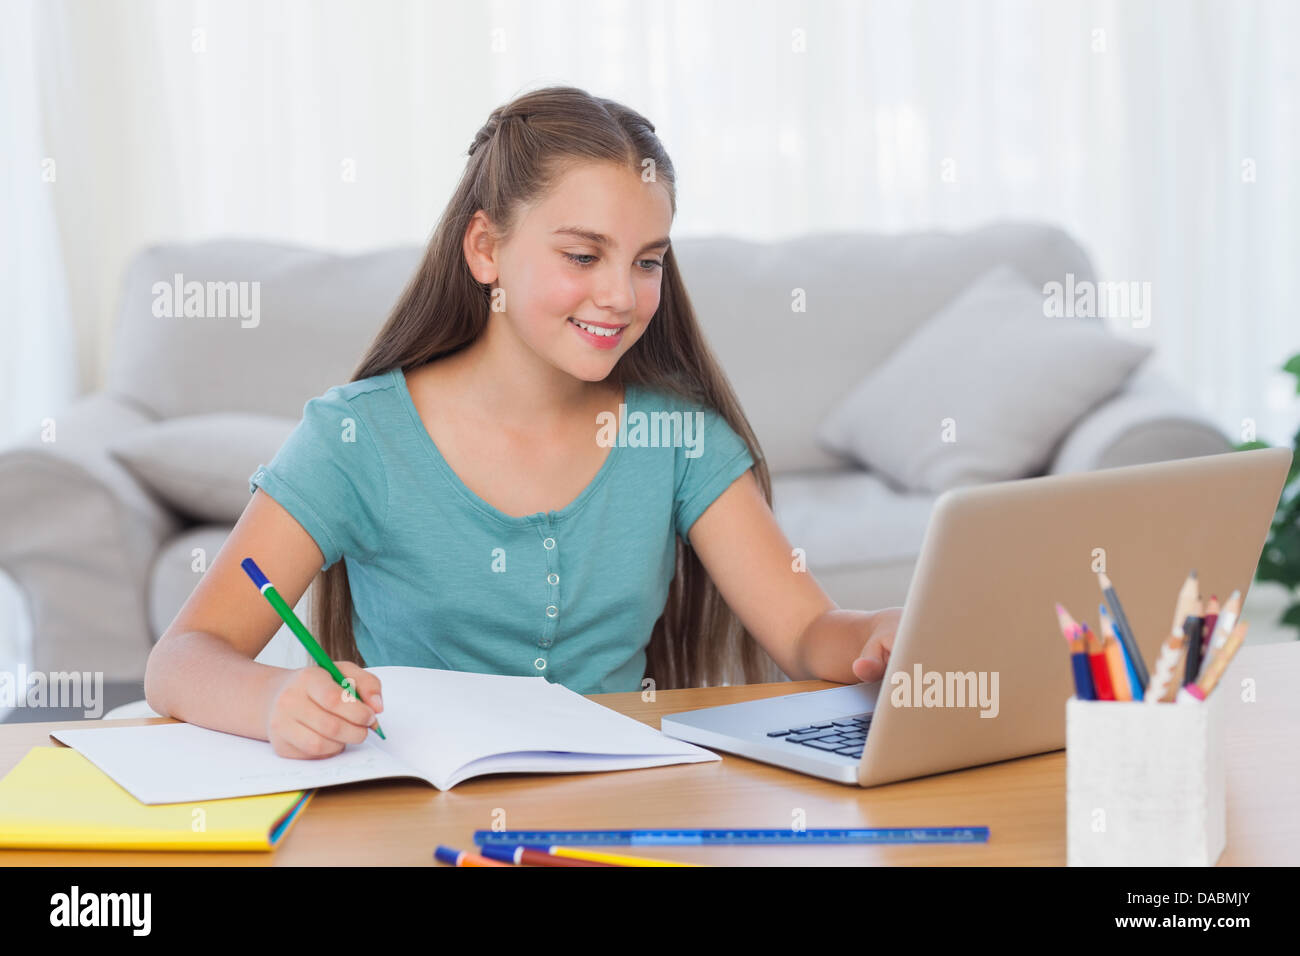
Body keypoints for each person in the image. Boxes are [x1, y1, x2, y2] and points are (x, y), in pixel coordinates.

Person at [144, 85, 900, 759]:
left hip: (619, 808)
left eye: (646, 263)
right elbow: (180, 658)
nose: (620, 296)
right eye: (583, 255)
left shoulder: (677, 438)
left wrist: (872, 635)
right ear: (485, 250)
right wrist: (273, 700)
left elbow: (806, 634)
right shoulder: (358, 438)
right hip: (415, 817)